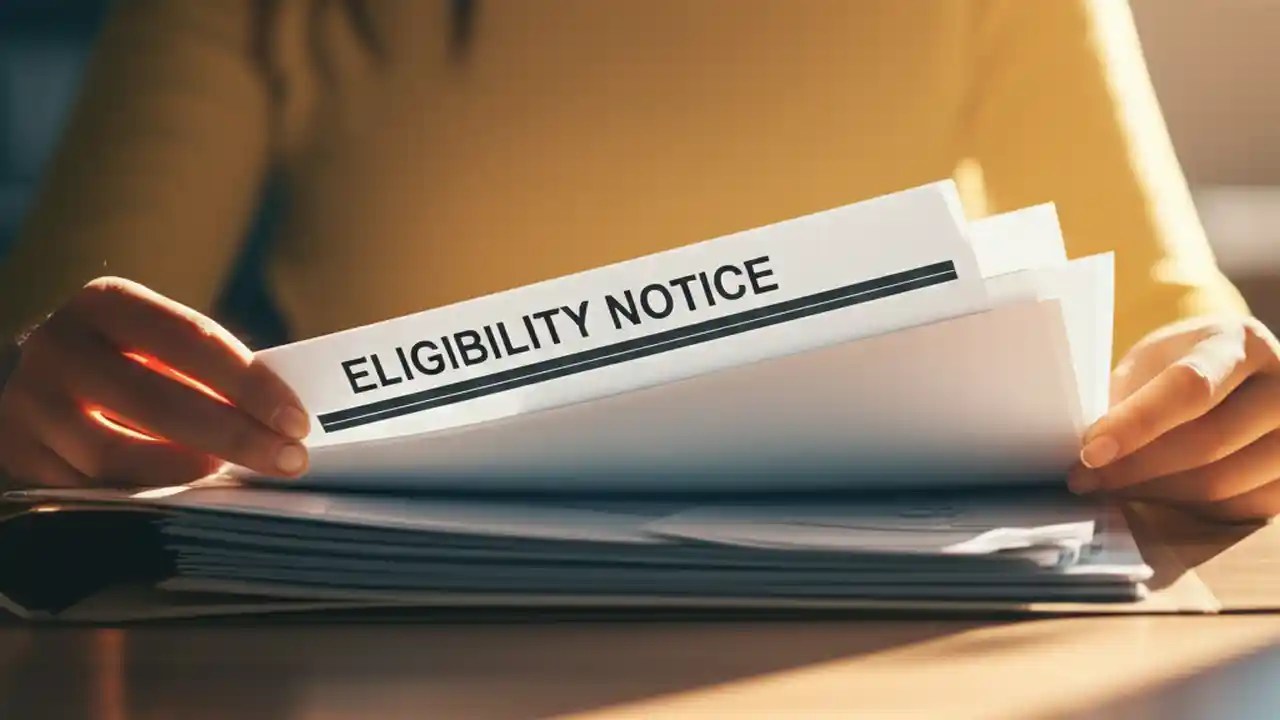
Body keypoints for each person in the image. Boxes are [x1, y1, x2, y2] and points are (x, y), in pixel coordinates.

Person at [0, 0, 1277, 520]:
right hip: (368, 650)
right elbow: (65, 349)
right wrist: (40, 411)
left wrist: (1221, 397)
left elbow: (1175, 328)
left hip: (914, 656)